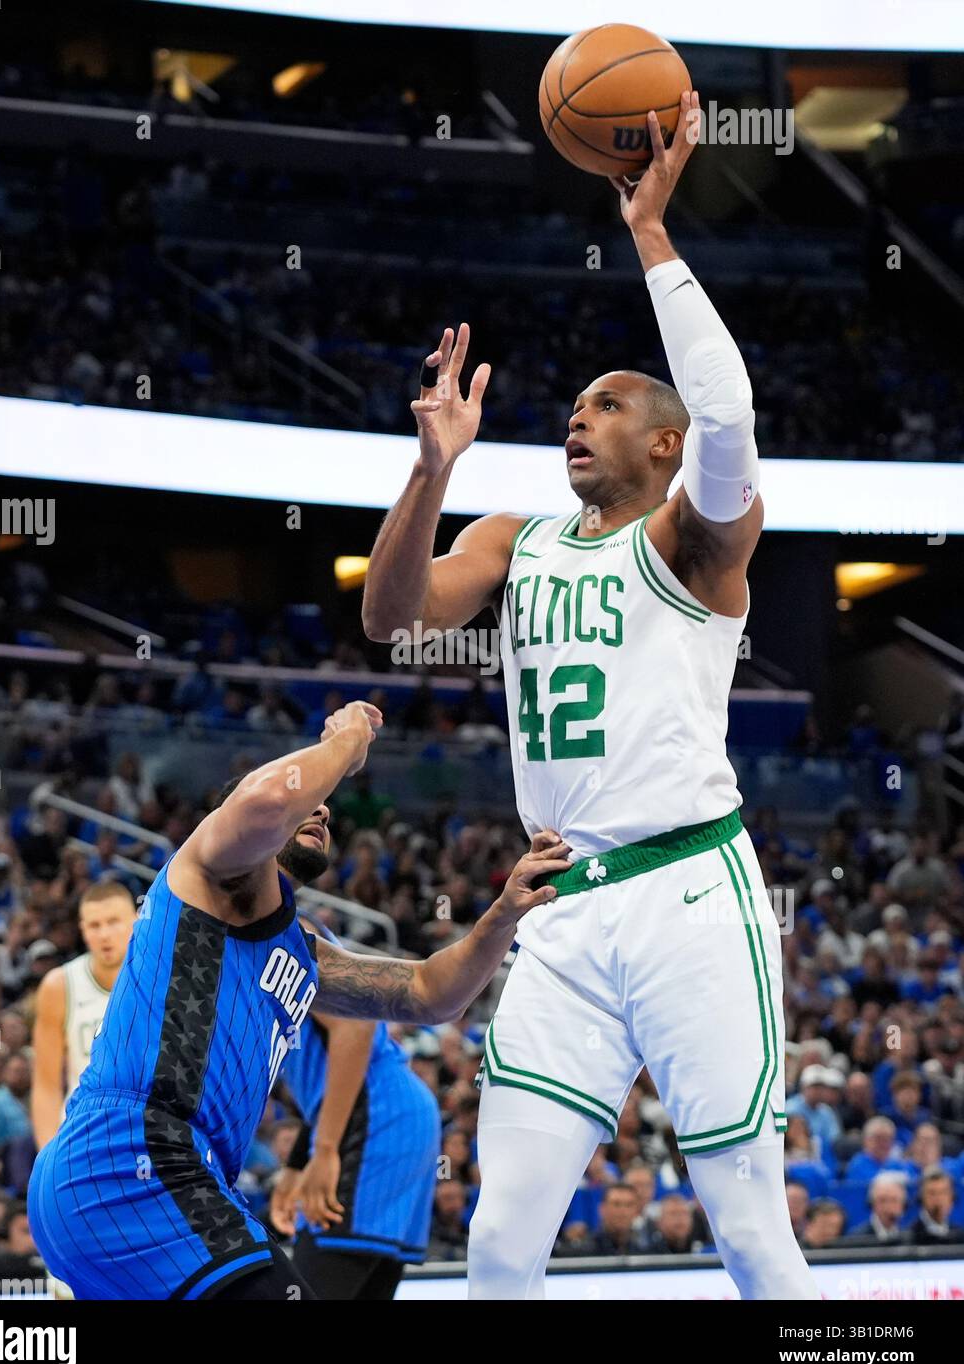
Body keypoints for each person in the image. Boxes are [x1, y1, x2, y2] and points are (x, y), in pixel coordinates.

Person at [362, 91, 814, 1301]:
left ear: (662, 447)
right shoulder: (515, 537)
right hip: (557, 912)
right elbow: (394, 621)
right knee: (499, 1249)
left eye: (606, 405)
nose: (578, 416)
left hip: (685, 894)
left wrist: (654, 238)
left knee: (751, 1237)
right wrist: (428, 471)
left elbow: (728, 412)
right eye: (572, 407)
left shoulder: (694, 542)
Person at [27, 701, 569, 1300]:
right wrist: (346, 740)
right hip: (134, 1155)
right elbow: (263, 803)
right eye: (307, 796)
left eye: (324, 805)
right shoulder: (210, 871)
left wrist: (503, 915)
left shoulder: (302, 948)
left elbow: (430, 994)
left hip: (130, 1175)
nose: (324, 806)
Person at [270, 807, 441, 1300]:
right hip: (389, 1114)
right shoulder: (285, 928)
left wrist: (323, 1152)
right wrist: (297, 1163)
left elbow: (355, 1025)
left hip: (374, 1120)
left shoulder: (284, 929)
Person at [30, 881, 136, 1149]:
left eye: (113, 922)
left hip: (143, 1132)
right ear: (82, 930)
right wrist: (47, 1156)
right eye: (94, 925)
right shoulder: (60, 985)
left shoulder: (160, 979)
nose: (104, 934)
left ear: (136, 920)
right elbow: (46, 1084)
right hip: (82, 1135)